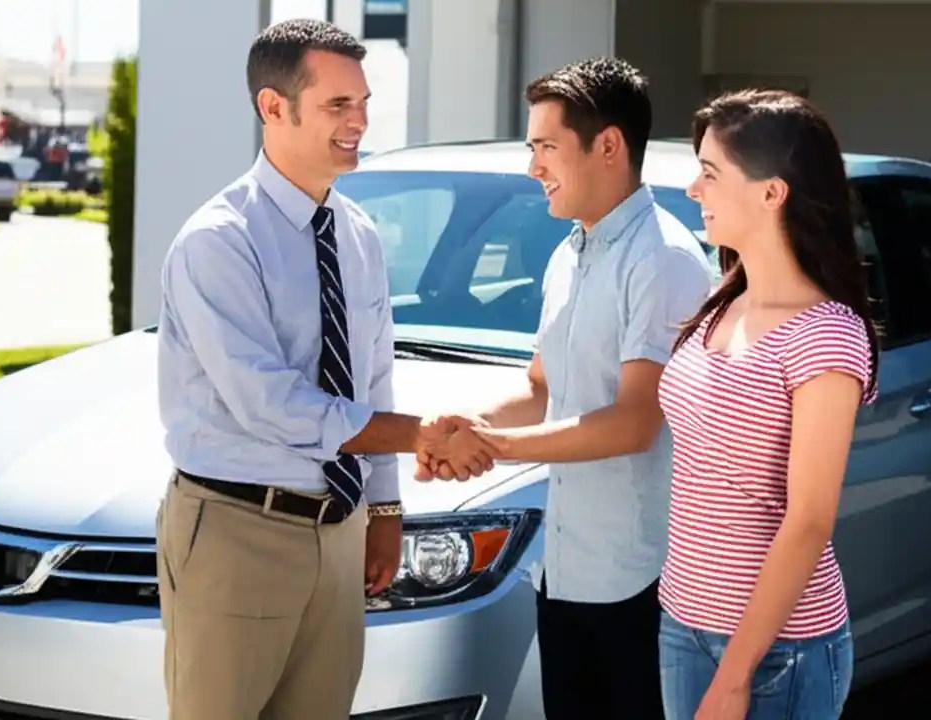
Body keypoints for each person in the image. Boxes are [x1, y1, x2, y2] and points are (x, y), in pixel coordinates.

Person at [154, 18, 485, 720]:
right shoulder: (219, 242)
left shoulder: (358, 234)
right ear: (274, 108)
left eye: (362, 103)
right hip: (238, 533)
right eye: (339, 106)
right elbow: (270, 403)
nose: (359, 122)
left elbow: (371, 377)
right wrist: (418, 434)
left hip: (340, 535)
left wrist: (387, 509)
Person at [416, 57, 713, 719]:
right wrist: (454, 427)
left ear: (608, 146)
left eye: (546, 147)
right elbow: (544, 387)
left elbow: (636, 420)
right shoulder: (566, 253)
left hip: (644, 579)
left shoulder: (662, 258)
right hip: (569, 572)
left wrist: (495, 445)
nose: (534, 168)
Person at [654, 89, 879, 719]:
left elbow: (808, 519)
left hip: (778, 650)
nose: (694, 191)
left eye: (709, 173)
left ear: (771, 192)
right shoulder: (723, 304)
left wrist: (735, 672)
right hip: (685, 623)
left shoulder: (827, 334)